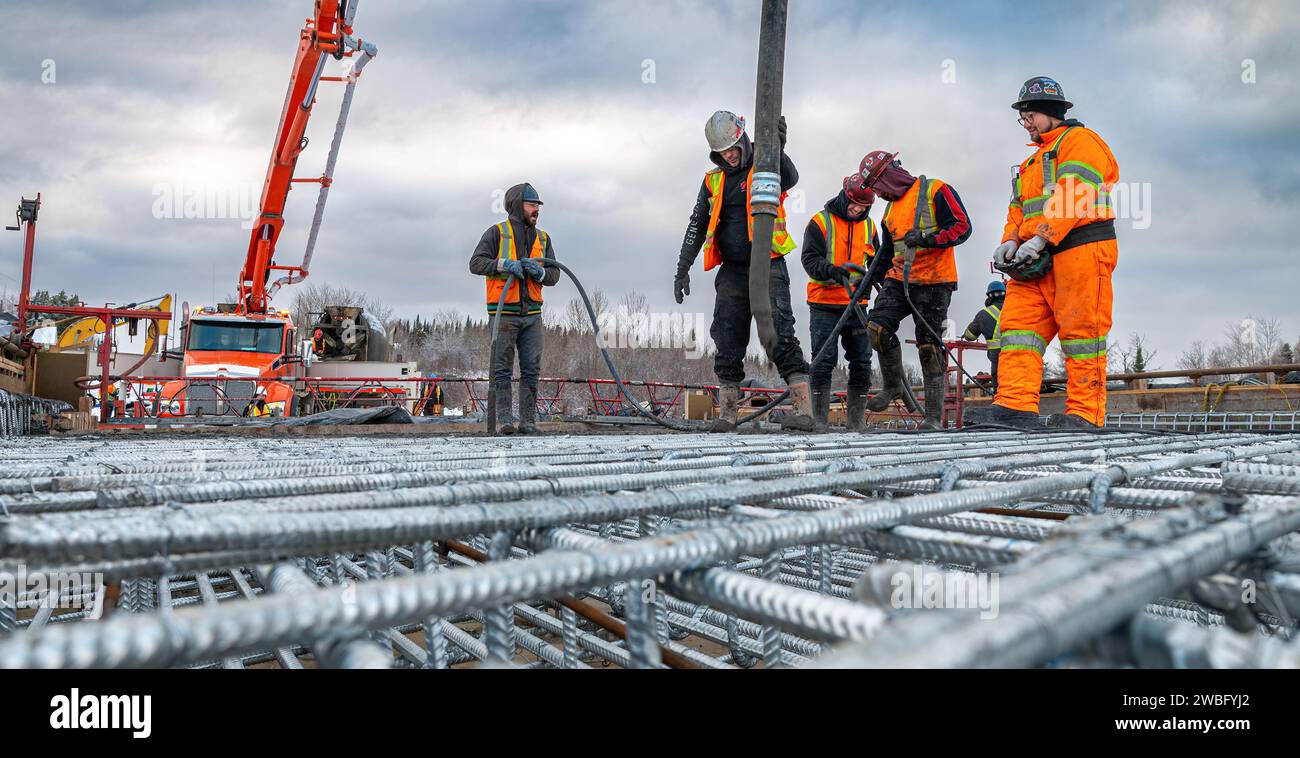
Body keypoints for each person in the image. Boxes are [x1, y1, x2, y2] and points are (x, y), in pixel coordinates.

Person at [985, 76, 1119, 429]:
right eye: (1022, 117)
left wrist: (1042, 237)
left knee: (1081, 332)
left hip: (1080, 250)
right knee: (1017, 330)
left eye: (1029, 115)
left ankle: (1085, 413)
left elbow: (1075, 190)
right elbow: (1017, 210)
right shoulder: (1030, 164)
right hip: (1033, 259)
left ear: (1050, 112)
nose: (1025, 123)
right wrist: (1010, 241)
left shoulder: (1081, 142)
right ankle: (1013, 406)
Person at [674, 110, 814, 432]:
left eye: (734, 149)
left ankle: (804, 411)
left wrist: (777, 149)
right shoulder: (713, 181)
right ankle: (728, 415)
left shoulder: (764, 166)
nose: (730, 156)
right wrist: (682, 268)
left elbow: (790, 178)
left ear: (744, 139)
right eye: (723, 153)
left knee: (779, 333)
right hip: (733, 272)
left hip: (768, 265)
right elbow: (696, 224)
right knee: (726, 336)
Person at [857, 150, 972, 430]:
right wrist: (871, 274)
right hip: (899, 279)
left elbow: (962, 227)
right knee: (877, 329)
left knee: (929, 348)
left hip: (935, 281)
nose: (879, 194)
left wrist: (927, 239)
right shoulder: (890, 210)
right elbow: (886, 251)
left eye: (878, 187)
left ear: (889, 175)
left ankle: (932, 418)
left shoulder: (936, 190)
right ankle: (893, 386)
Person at [469, 182, 560, 434]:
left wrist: (540, 272)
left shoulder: (543, 238)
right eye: (532, 204)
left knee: (531, 369)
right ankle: (505, 422)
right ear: (517, 205)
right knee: (502, 370)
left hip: (532, 316)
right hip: (503, 314)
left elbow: (554, 275)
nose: (536, 210)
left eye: (538, 206)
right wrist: (503, 265)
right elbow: (475, 263)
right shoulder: (497, 233)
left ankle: (528, 422)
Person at [800, 173, 878, 431]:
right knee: (823, 361)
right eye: (854, 204)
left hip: (857, 305)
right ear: (844, 196)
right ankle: (819, 421)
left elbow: (877, 263)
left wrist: (874, 281)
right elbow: (809, 260)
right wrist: (832, 270)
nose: (857, 210)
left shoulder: (871, 227)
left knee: (862, 361)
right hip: (824, 304)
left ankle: (856, 423)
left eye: (863, 207)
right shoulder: (819, 223)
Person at [963, 280, 1006, 391]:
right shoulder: (1017, 309)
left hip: (998, 360)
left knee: (1001, 393)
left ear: (989, 297)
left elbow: (970, 335)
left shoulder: (983, 314)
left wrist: (964, 334)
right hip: (1021, 358)